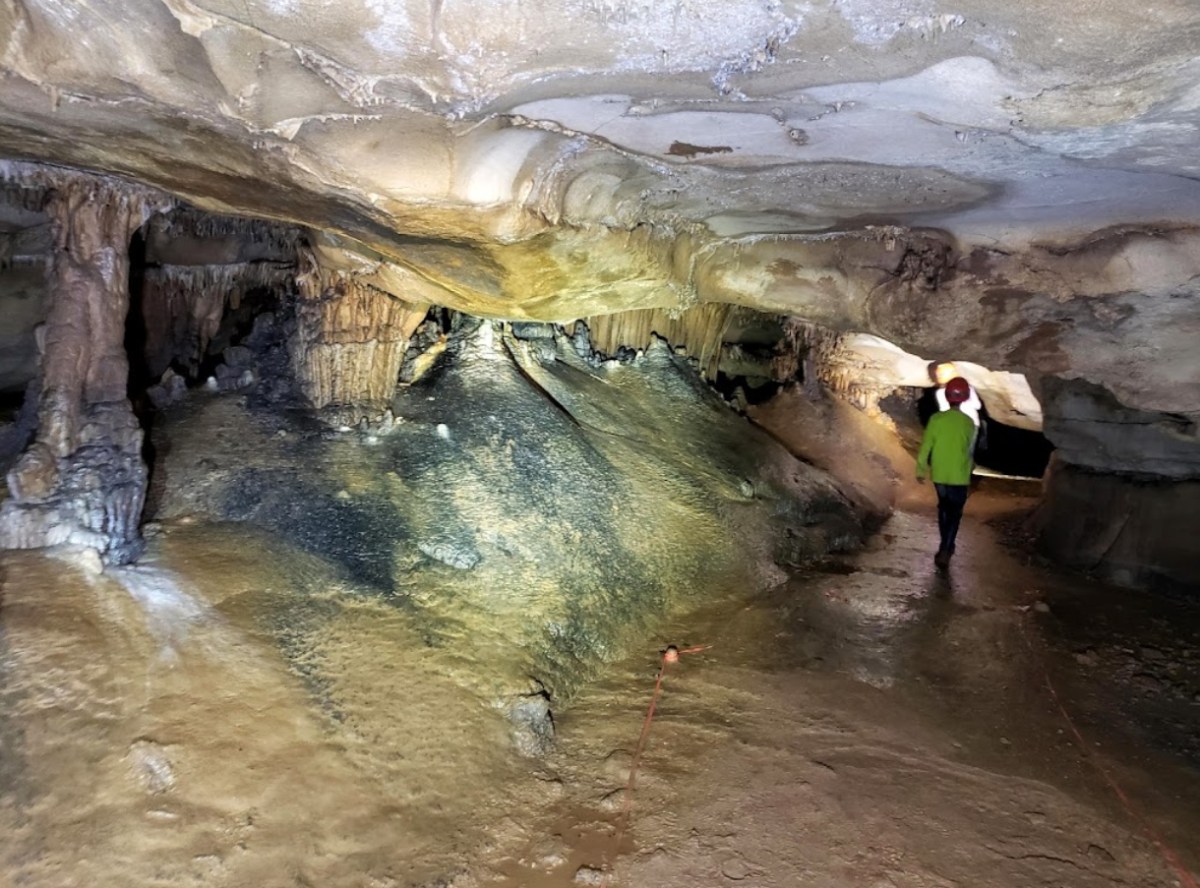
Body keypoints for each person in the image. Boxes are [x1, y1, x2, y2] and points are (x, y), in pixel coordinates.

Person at [916, 376, 976, 568]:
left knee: (943, 508)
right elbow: (970, 451)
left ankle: (945, 546)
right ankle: (947, 547)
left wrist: (920, 468)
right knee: (955, 512)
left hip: (940, 474)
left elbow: (926, 446)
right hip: (960, 475)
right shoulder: (969, 423)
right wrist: (970, 469)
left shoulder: (936, 419)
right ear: (965, 397)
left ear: (947, 396)